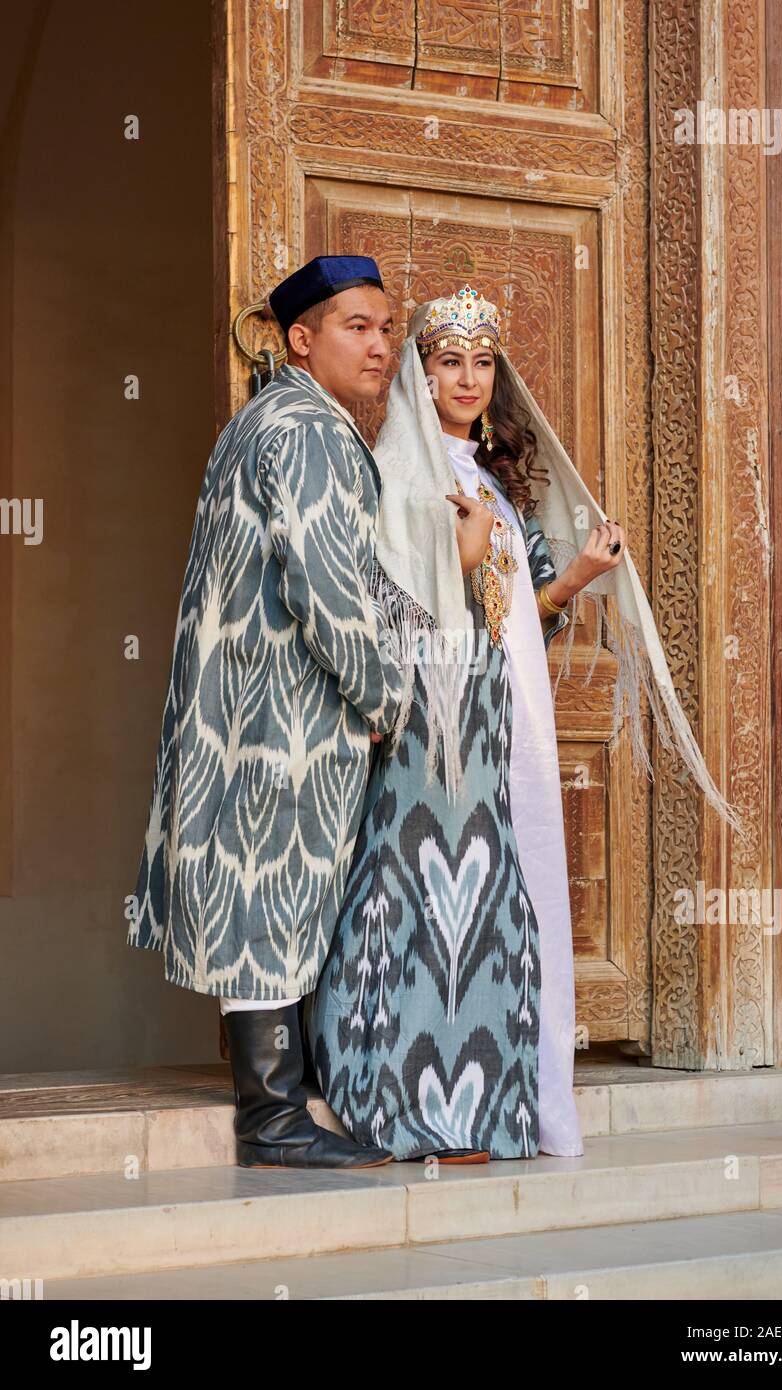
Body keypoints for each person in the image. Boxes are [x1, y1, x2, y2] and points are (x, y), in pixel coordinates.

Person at [306, 285, 743, 1163]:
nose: (467, 378)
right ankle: (399, 1102)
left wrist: (578, 574)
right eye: (446, 361)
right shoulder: (391, 473)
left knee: (497, 909)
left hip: (507, 723)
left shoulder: (503, 489)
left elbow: (522, 621)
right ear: (419, 376)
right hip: (426, 730)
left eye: (481, 362)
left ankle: (486, 1106)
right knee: (415, 900)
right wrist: (455, 570)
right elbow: (383, 611)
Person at [128, 255, 408, 1169]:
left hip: (243, 710)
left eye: (385, 327)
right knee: (275, 896)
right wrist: (382, 693)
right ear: (301, 338)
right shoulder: (311, 432)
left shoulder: (265, 421)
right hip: (285, 717)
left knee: (262, 897)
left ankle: (286, 1107)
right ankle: (274, 1120)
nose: (380, 345)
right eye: (356, 327)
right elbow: (327, 588)